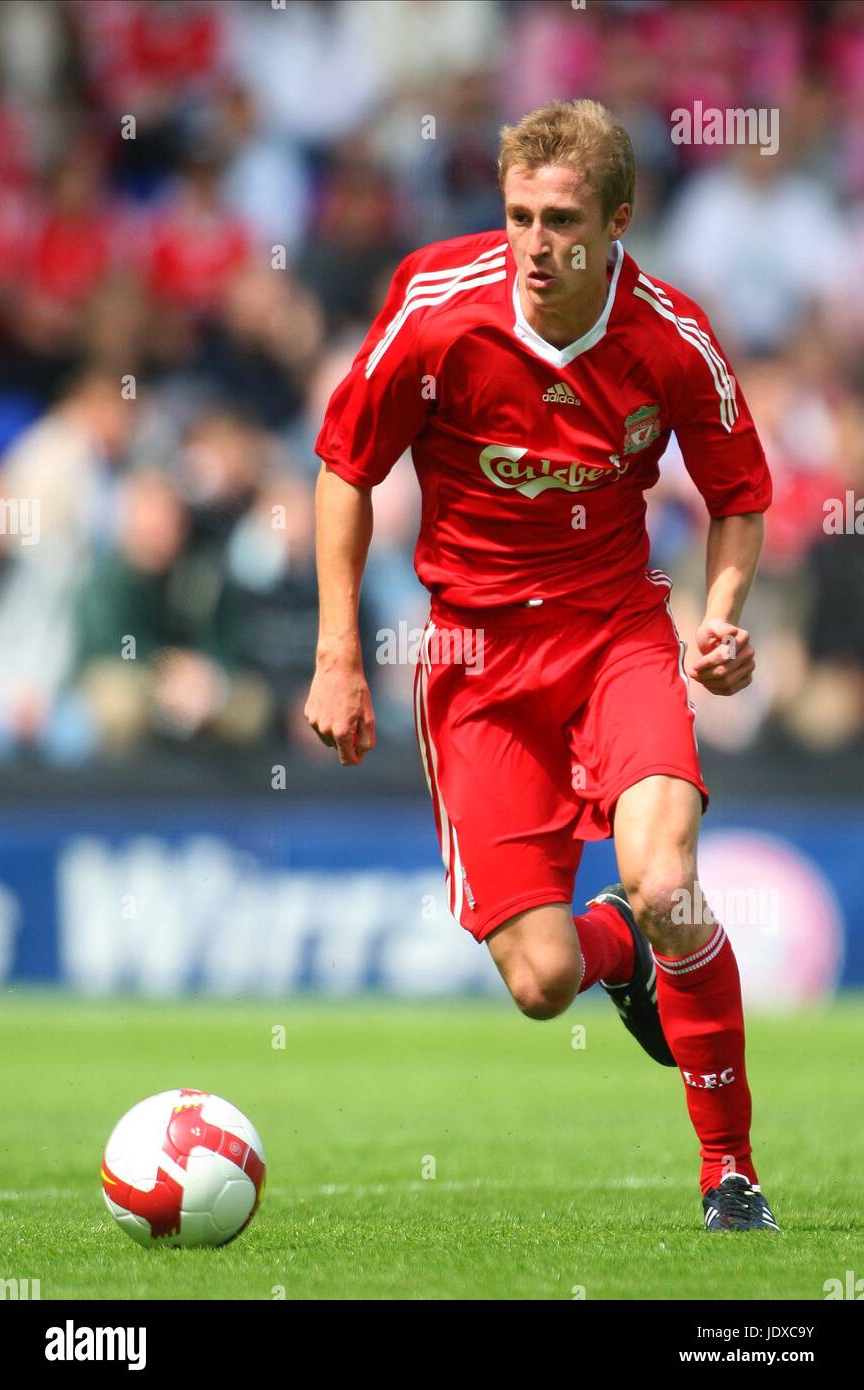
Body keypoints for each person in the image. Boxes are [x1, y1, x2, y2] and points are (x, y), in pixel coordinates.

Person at [305, 100, 777, 1233]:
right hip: (474, 658)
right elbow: (342, 466)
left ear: (617, 220)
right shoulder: (433, 308)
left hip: (615, 633)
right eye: (516, 214)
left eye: (560, 219)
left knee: (669, 884)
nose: (533, 242)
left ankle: (728, 1171)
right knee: (540, 981)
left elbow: (740, 493)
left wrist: (717, 618)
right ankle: (615, 951)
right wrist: (337, 653)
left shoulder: (670, 337)